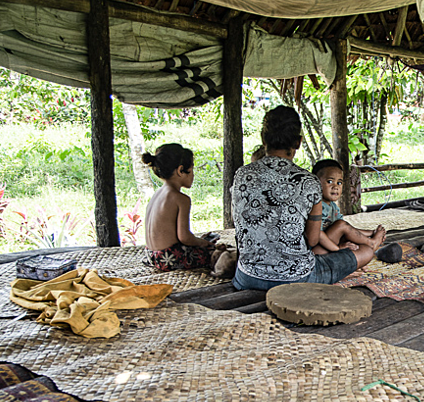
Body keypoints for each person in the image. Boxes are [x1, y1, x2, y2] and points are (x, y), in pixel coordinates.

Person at [230, 106, 374, 291]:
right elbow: (313, 241)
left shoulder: (241, 174)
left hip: (246, 277)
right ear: (298, 142)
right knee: (366, 251)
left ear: (263, 139)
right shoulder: (309, 182)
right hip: (297, 278)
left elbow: (240, 225)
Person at [142, 143, 216, 271]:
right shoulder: (181, 199)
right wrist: (204, 243)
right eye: (192, 170)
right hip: (168, 258)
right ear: (181, 170)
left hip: (151, 255)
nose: (193, 175)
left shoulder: (157, 194)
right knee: (217, 253)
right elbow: (184, 237)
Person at [310, 159, 385, 255]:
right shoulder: (317, 206)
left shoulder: (332, 206)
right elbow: (318, 234)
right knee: (341, 226)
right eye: (330, 181)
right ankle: (371, 243)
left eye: (339, 183)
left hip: (328, 246)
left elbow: (348, 229)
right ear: (315, 183)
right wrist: (338, 249)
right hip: (315, 251)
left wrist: (371, 232)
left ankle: (358, 260)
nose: (335, 186)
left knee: (352, 242)